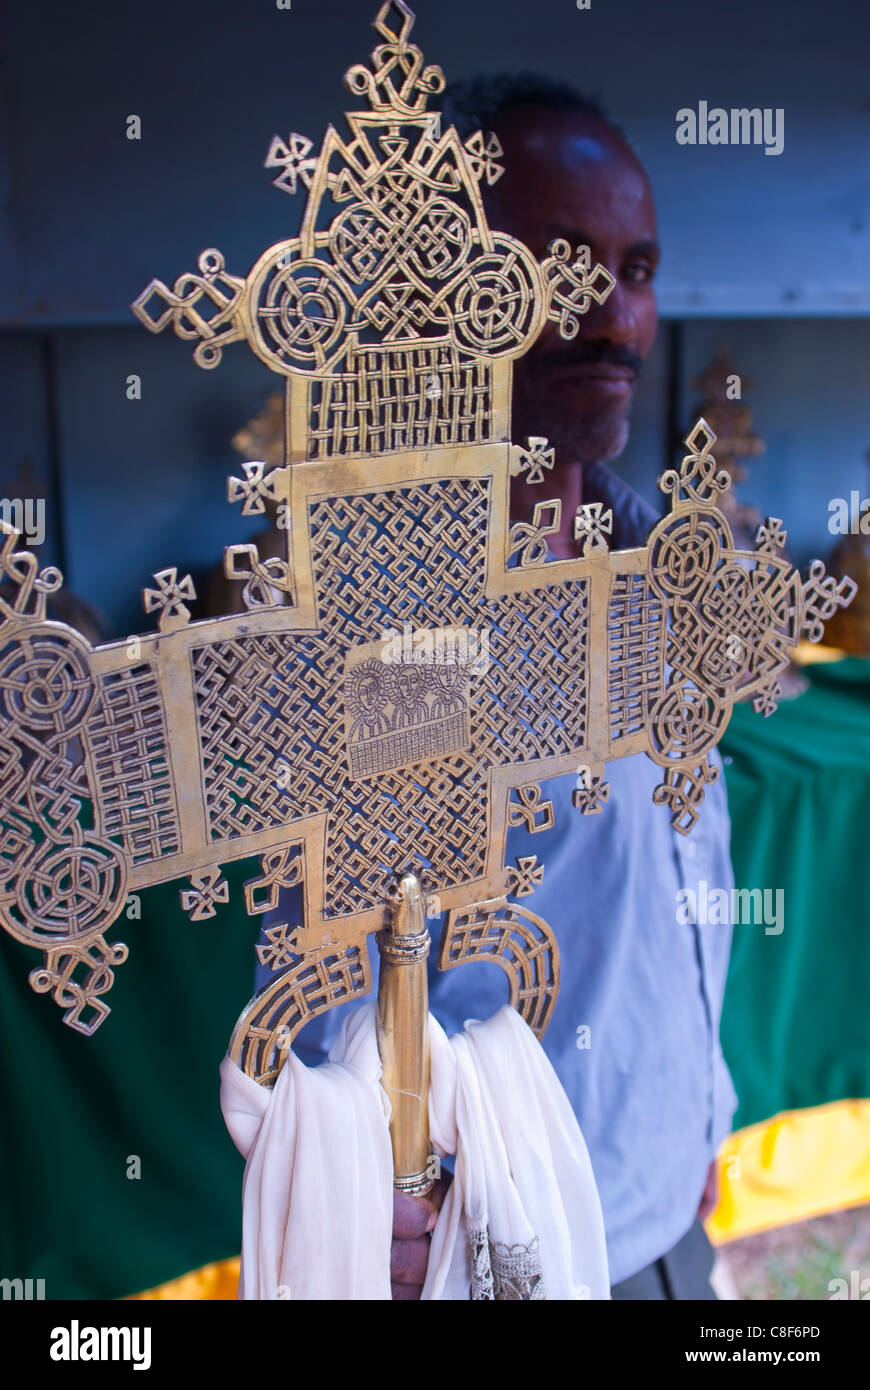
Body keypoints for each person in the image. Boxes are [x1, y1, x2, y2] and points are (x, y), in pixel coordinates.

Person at [386, 74, 737, 1300]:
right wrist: (374, 1200)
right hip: (515, 1259)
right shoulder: (397, 624)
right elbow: (321, 977)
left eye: (635, 268)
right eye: (562, 264)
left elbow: (685, 870)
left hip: (668, 1202)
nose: (617, 317)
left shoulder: (672, 568)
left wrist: (703, 1103)